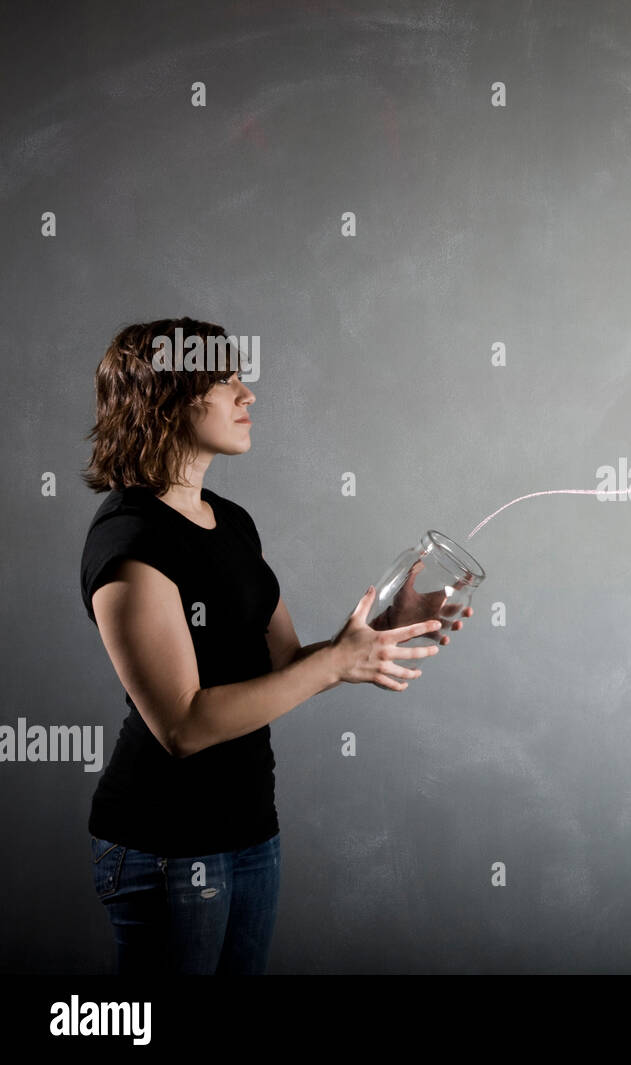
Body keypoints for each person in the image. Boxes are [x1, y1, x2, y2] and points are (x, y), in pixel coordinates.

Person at [79, 317, 470, 974]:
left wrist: (377, 629)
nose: (247, 394)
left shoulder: (230, 521)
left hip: (251, 831)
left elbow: (287, 664)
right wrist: (335, 664)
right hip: (165, 844)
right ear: (165, 393)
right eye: (225, 378)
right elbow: (182, 723)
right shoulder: (130, 543)